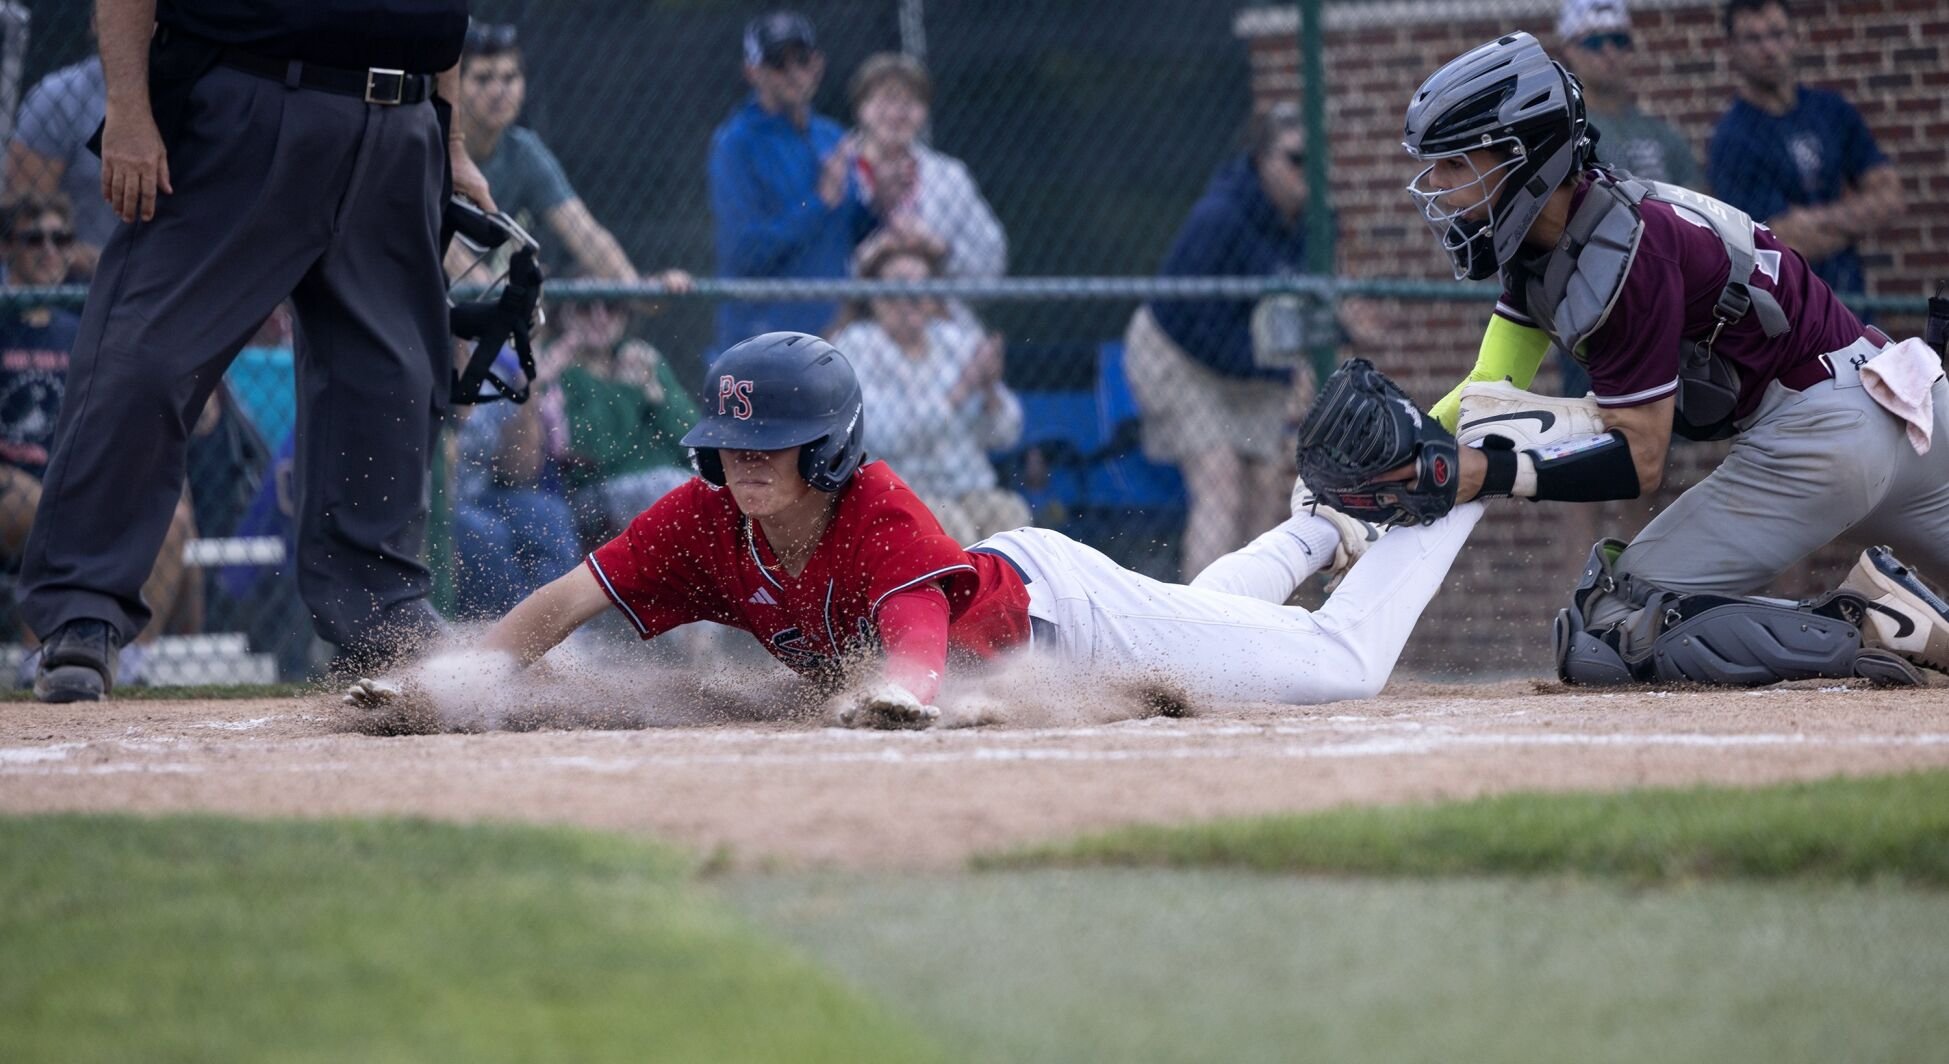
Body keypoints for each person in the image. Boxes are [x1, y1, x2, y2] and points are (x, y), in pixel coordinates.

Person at [346, 331, 1485, 728]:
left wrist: (895, 699)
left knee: (1339, 666)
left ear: (830, 450)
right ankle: (1312, 526)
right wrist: (453, 683)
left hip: (1068, 616)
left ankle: (1459, 478)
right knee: (1201, 621)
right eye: (731, 440)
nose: (746, 460)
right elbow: (567, 599)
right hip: (1038, 595)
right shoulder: (703, 518)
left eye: (775, 441)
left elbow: (916, 647)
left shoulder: (876, 508)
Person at [1304, 31, 1949, 691]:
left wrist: (1483, 472)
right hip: (1909, 402)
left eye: (1456, 163)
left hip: (1827, 432)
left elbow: (1640, 458)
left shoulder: (1621, 253)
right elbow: (1485, 389)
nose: (1437, 186)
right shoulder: (1565, 233)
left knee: (1613, 624)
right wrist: (1386, 475)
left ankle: (1870, 619)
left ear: (1525, 158)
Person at [18, 0, 492, 702]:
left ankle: (380, 615)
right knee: (145, 356)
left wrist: (450, 140)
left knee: (391, 381)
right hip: (249, 103)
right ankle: (81, 609)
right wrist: (130, 109)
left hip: (402, 124)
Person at [0, 195, 199, 685]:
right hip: (14, 483)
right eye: (34, 239)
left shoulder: (84, 329)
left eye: (61, 239)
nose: (50, 251)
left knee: (174, 519)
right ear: (7, 248)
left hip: (74, 479)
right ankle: (35, 662)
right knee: (41, 507)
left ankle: (126, 669)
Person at [1121, 102, 1318, 580]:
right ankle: (1201, 620)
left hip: (1247, 363)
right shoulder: (1221, 217)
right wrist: (1282, 372)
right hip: (1179, 356)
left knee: (1266, 487)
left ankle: (1249, 612)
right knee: (1220, 482)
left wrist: (1341, 331)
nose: (1308, 172)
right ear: (1262, 160)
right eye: (1296, 159)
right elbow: (1201, 328)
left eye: (1317, 160)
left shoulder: (1310, 224)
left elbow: (1301, 309)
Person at [454, 22, 690, 290]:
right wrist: (488, 292)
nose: (498, 91)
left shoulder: (522, 152)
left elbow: (584, 232)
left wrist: (640, 289)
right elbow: (434, 239)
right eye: (483, 79)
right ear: (454, 86)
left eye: (510, 78)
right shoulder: (431, 146)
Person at [830, 242, 1029, 545]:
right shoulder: (858, 345)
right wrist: (961, 390)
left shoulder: (954, 341)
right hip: (901, 490)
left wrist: (989, 392)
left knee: (1014, 521)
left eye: (921, 288)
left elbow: (1005, 434)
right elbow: (885, 436)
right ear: (876, 298)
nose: (911, 298)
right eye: (899, 287)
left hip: (970, 488)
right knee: (952, 527)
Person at [1553, 0, 1702, 399]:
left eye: (1619, 41)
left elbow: (1702, 210)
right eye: (1595, 42)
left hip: (1669, 295)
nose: (1609, 52)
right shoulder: (1567, 135)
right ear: (1569, 50)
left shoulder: (1661, 135)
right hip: (1595, 304)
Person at [1707, 0, 1903, 299]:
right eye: (1753, 39)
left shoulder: (1830, 111)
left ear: (1794, 37)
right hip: (1789, 308)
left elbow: (1890, 197)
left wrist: (1812, 221)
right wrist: (1855, 218)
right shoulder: (1732, 139)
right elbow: (1776, 243)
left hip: (1852, 299)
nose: (1769, 49)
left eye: (1777, 34)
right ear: (1731, 48)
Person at [708, 11, 877, 352]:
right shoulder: (735, 144)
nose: (793, 73)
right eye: (777, 63)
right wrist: (819, 203)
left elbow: (851, 233)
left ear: (818, 64)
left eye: (801, 60)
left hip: (838, 338)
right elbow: (744, 253)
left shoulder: (832, 135)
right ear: (752, 71)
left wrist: (881, 200)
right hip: (762, 342)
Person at [846, 52, 1006, 326]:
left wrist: (939, 249)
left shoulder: (949, 176)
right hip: (854, 328)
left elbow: (992, 263)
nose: (897, 113)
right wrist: (874, 252)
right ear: (862, 107)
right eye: (886, 100)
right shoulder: (835, 170)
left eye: (910, 102)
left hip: (939, 329)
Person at [538, 297, 699, 542]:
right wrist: (627, 391)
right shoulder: (555, 365)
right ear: (564, 313)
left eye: (611, 306)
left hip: (668, 480)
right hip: (595, 491)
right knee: (673, 493)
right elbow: (594, 451)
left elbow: (696, 442)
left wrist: (657, 397)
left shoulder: (641, 356)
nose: (600, 318)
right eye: (585, 308)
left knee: (713, 492)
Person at [5, 24, 113, 278]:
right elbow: (24, 218)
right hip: (70, 282)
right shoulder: (58, 97)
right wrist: (108, 267)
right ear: (96, 22)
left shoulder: (195, 95)